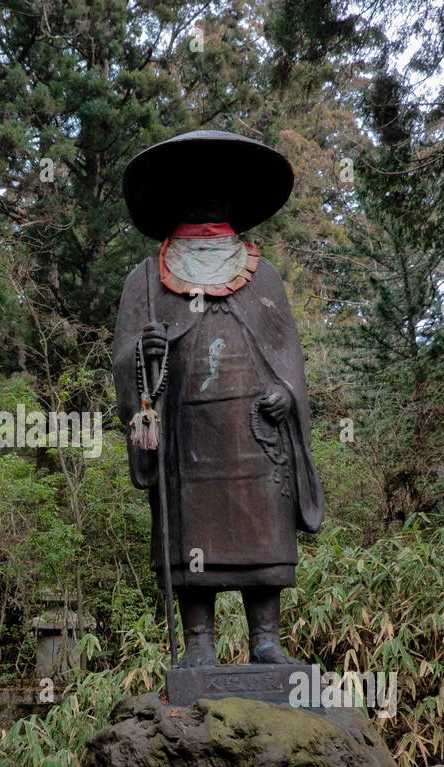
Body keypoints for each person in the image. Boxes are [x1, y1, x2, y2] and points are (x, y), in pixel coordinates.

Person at [113, 130, 324, 667]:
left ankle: (267, 639)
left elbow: (288, 355)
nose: (207, 198)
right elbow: (124, 357)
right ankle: (198, 644)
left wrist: (284, 393)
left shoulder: (264, 276)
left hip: (257, 430)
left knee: (262, 525)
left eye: (217, 190)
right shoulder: (146, 279)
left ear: (233, 199)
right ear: (175, 198)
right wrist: (147, 353)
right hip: (188, 434)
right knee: (192, 533)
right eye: (194, 189)